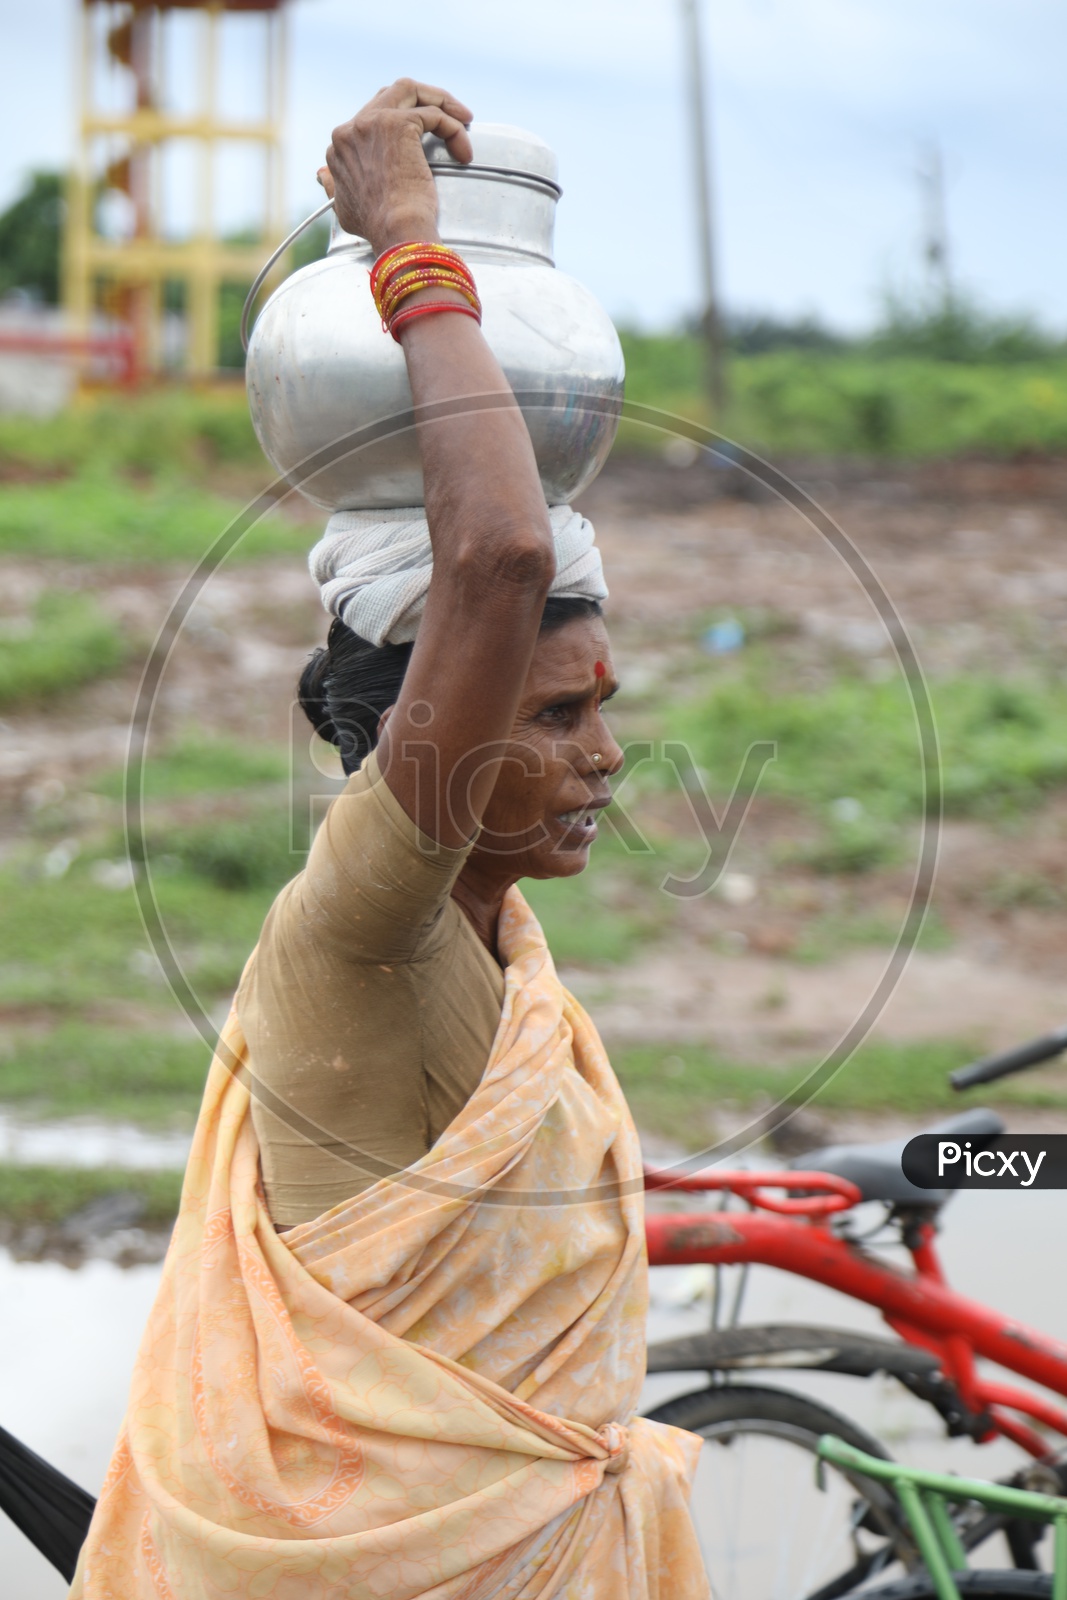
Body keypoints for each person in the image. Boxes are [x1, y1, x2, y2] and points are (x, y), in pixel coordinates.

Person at [70, 80, 709, 1600]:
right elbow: (494, 553)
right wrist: (409, 247)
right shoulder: (366, 916)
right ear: (424, 715)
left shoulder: (500, 942)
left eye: (603, 705)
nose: (606, 755)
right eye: (553, 715)